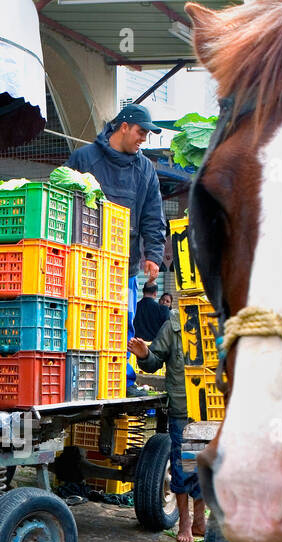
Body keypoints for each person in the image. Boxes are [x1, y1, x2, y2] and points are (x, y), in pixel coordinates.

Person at [66, 103, 166, 389]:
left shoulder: (145, 168)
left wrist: (154, 256)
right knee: (81, 322)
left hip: (125, 267)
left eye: (146, 134)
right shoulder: (84, 158)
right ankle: (77, 381)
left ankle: (122, 381)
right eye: (140, 132)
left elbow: (153, 215)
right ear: (123, 127)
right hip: (83, 262)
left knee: (121, 324)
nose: (143, 138)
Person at [129, 311, 205, 542]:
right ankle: (184, 521)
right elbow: (154, 363)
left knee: (202, 464)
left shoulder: (216, 319)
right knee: (182, 466)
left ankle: (200, 521)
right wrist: (145, 355)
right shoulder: (173, 325)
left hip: (206, 411)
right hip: (182, 411)